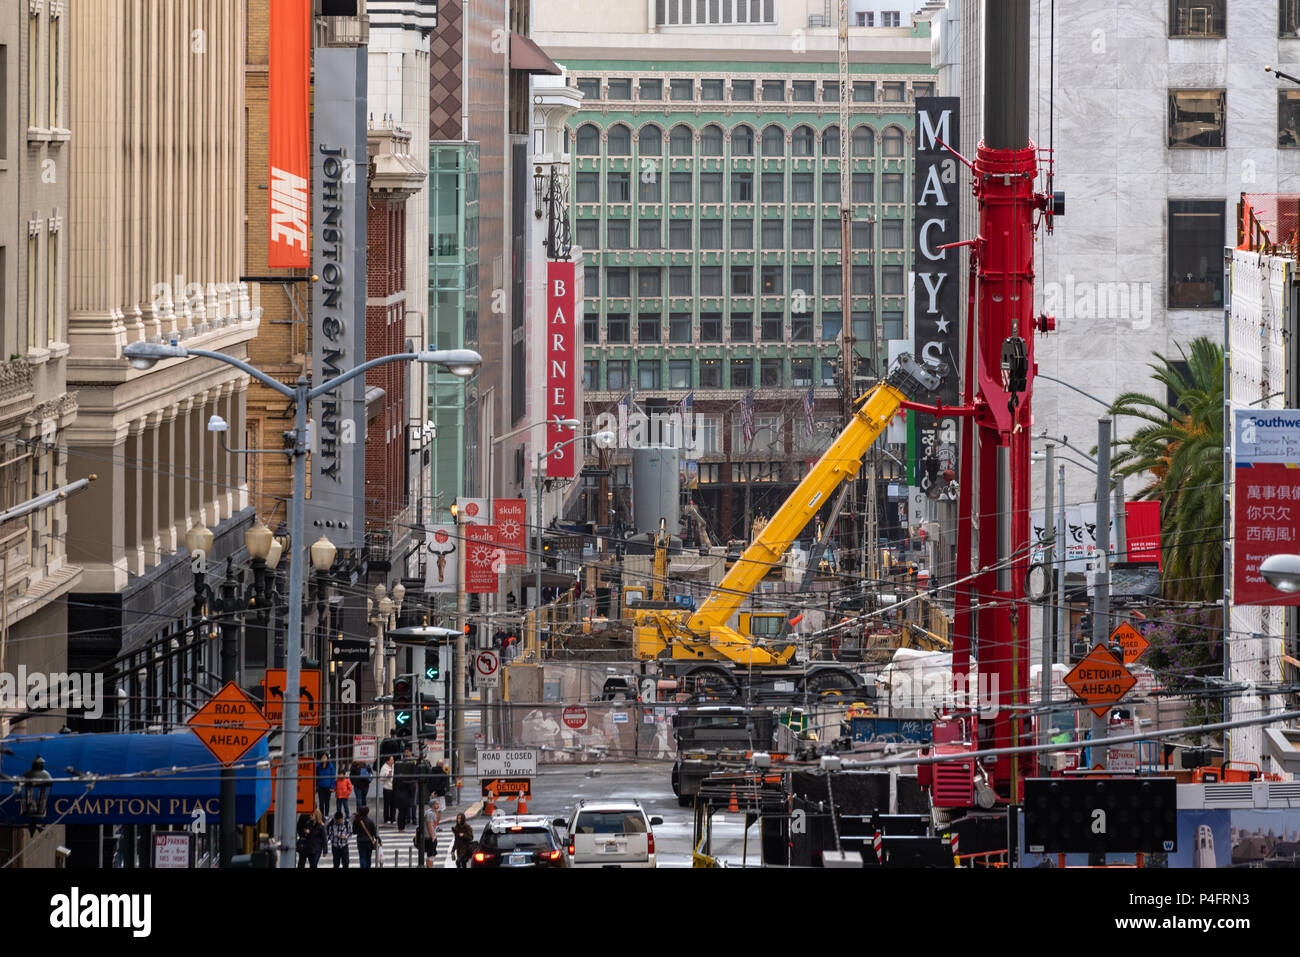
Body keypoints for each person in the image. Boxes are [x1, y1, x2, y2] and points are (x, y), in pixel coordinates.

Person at [422, 793, 440, 868]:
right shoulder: (430, 814)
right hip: (430, 837)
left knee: (430, 855)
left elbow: (435, 824)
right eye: (436, 804)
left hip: (428, 836)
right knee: (431, 855)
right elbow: (430, 825)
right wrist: (433, 836)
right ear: (433, 805)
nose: (438, 805)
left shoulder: (430, 812)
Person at [379, 756, 395, 824]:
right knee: (387, 804)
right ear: (387, 761)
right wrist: (387, 776)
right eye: (391, 760)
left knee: (393, 804)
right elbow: (381, 779)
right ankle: (386, 818)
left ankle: (393, 818)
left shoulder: (394, 766)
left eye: (393, 759)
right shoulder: (384, 768)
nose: (393, 761)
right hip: (387, 788)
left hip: (394, 788)